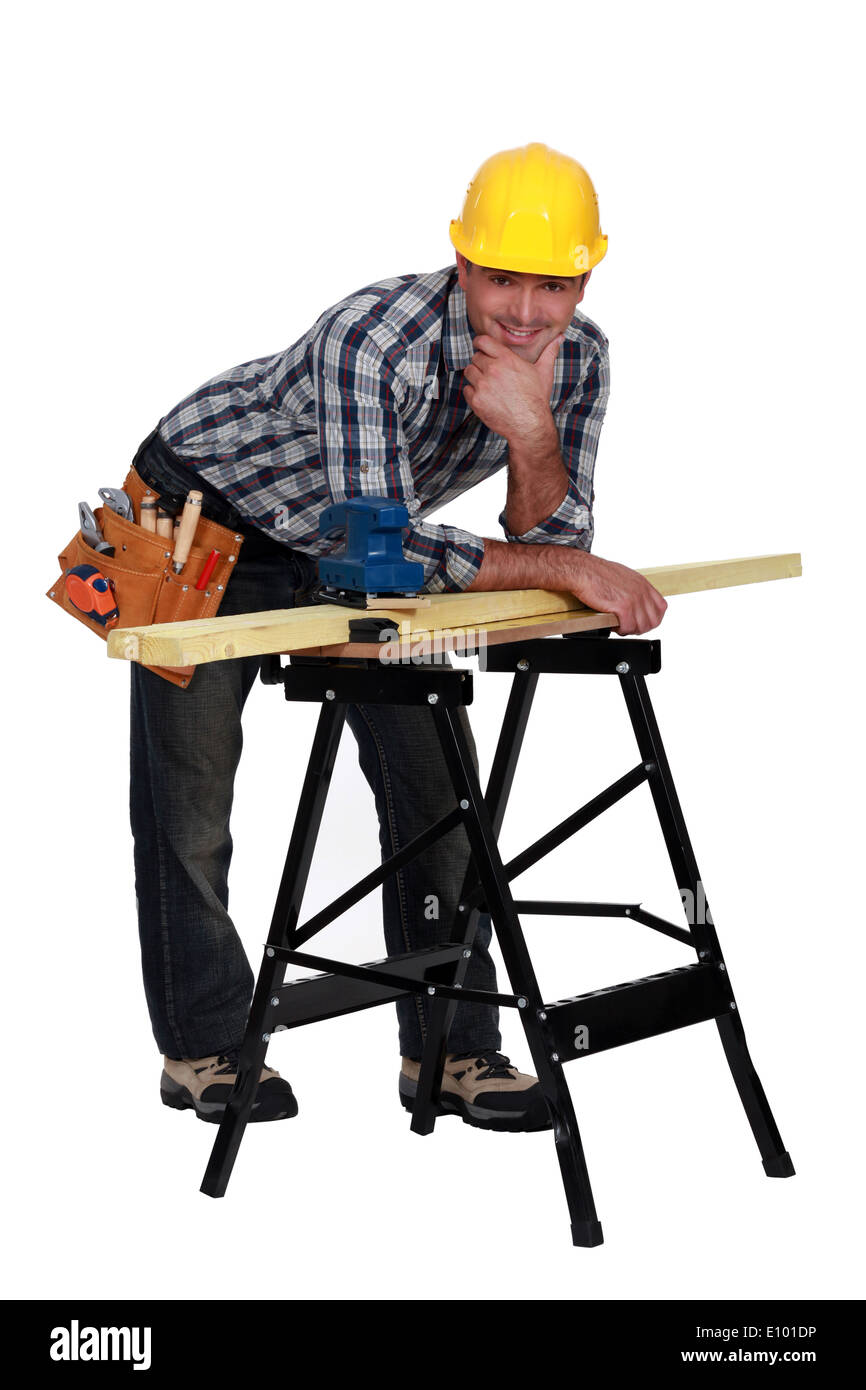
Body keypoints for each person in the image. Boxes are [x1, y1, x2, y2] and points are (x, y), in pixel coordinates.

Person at [133, 142, 667, 1135]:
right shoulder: (369, 338)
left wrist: (531, 435)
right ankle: (201, 1044)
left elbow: (555, 541)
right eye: (498, 275)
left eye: (548, 283)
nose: (521, 308)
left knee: (435, 788)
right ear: (459, 262)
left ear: (583, 278)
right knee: (189, 795)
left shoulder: (581, 355)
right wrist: (557, 566)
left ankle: (450, 1054)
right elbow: (374, 551)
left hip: (353, 536)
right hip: (188, 514)